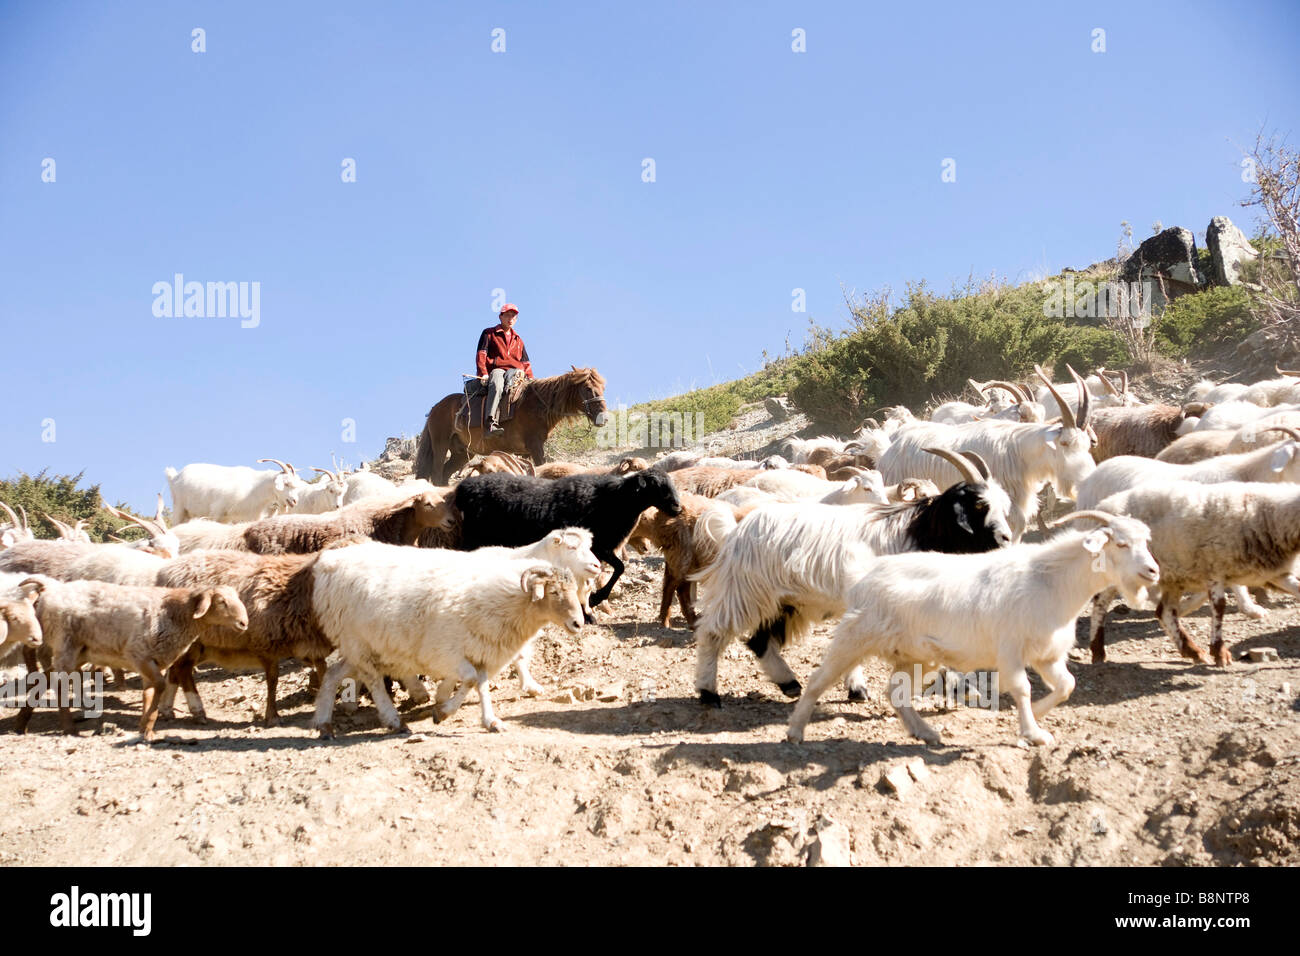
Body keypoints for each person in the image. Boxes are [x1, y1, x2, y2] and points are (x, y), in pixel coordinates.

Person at [475, 303, 534, 436]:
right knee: (497, 385)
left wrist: (531, 380)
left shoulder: (519, 340)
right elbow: (481, 355)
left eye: (513, 316)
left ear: (516, 319)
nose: (510, 318)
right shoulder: (489, 333)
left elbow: (525, 363)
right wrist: (483, 373)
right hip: (497, 369)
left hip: (516, 372)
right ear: (500, 317)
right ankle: (490, 423)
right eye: (507, 315)